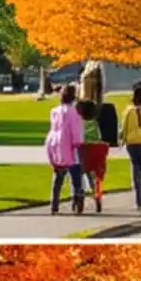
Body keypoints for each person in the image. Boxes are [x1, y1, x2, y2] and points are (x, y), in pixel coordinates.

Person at [45, 84, 84, 214]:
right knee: (75, 175)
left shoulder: (54, 111)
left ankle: (54, 203)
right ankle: (77, 198)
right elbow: (75, 132)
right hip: (69, 146)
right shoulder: (73, 112)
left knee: (58, 176)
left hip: (55, 144)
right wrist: (78, 143)